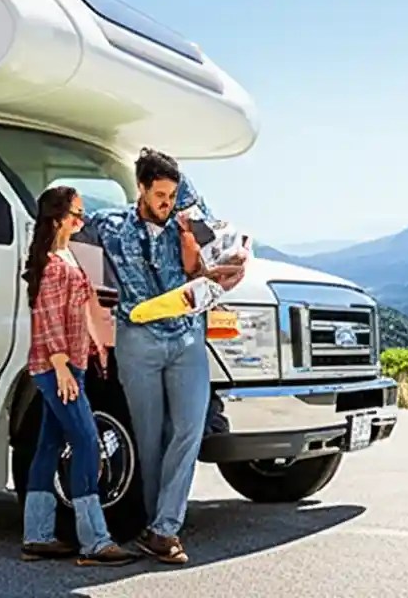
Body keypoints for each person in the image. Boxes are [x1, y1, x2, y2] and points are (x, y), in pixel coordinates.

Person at [75, 148, 247, 565]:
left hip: (186, 338)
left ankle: (166, 527)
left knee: (188, 429)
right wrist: (94, 295)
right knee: (149, 438)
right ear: (141, 189)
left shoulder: (186, 220)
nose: (167, 203)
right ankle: (155, 528)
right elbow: (72, 239)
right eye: (160, 196)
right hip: (137, 342)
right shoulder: (109, 225)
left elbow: (221, 247)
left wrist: (220, 252)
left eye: (172, 195)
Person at [20, 185, 140, 567]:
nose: (81, 220)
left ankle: (36, 536)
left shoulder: (67, 255)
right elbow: (48, 320)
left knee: (48, 446)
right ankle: (95, 541)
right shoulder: (53, 264)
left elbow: (80, 311)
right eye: (76, 214)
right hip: (57, 368)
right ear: (58, 219)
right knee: (87, 442)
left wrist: (97, 351)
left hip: (72, 364)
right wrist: (62, 368)